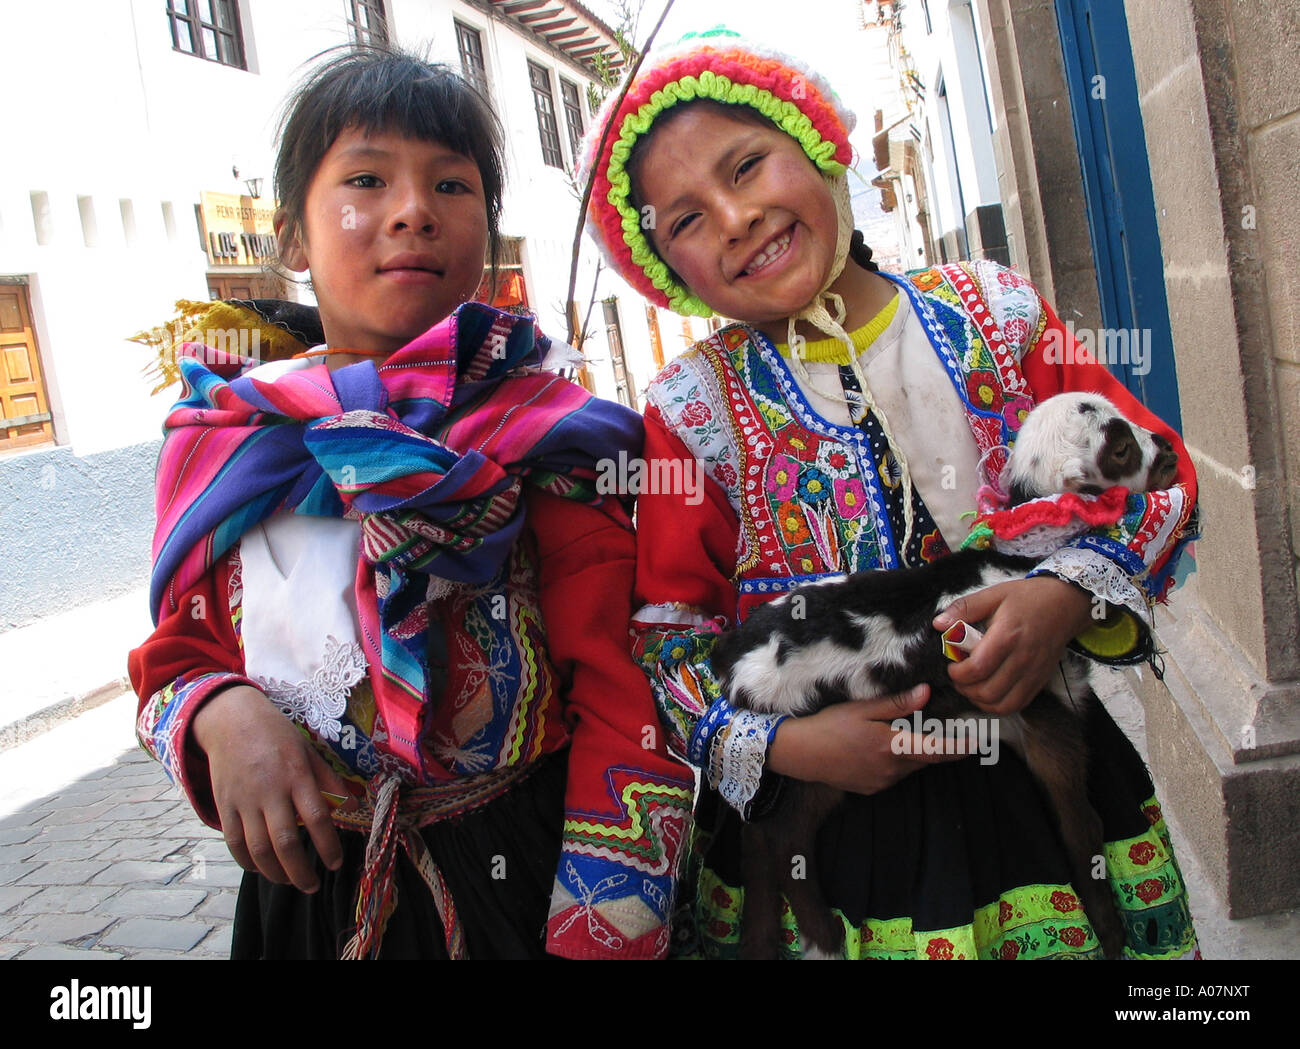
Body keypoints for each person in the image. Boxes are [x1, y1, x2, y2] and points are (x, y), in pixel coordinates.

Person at [580, 29, 1201, 959]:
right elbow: (667, 642)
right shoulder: (691, 414)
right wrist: (786, 751)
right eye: (687, 220)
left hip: (1041, 772)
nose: (736, 218)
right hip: (833, 828)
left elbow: (1160, 474)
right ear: (667, 270)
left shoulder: (994, 315)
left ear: (822, 146)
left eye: (748, 166)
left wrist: (1065, 591)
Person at [127, 45, 692, 960]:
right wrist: (215, 713)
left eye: (452, 186)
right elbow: (175, 650)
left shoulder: (549, 436)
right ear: (291, 237)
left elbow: (624, 683)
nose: (413, 211)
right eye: (365, 179)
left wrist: (604, 921)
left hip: (528, 880)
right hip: (306, 901)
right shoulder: (224, 443)